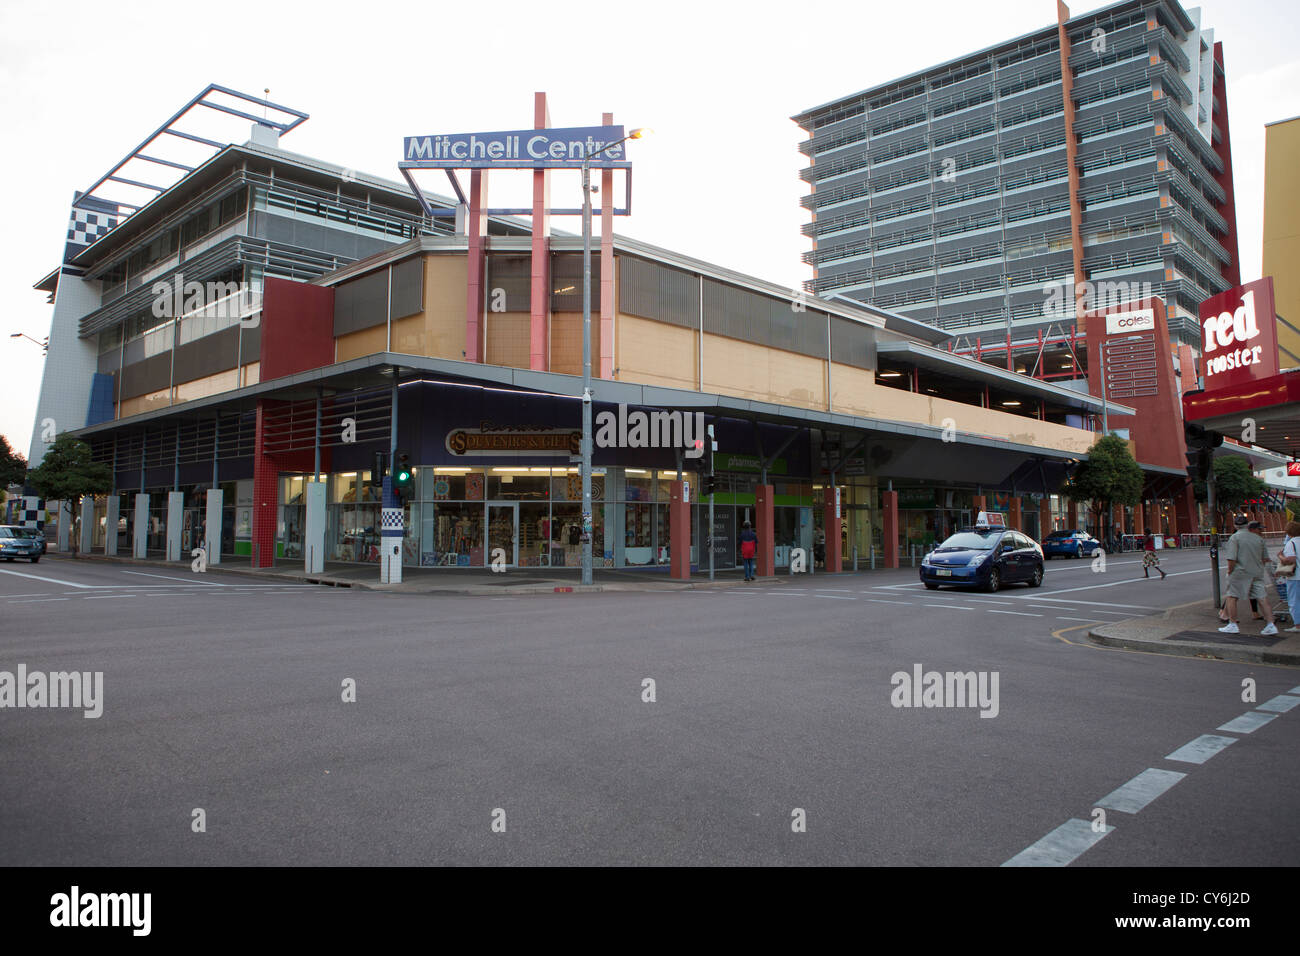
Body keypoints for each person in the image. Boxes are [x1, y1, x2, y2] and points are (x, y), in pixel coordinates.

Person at [1220, 519, 1278, 636]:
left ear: (1236, 526)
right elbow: (1265, 558)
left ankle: (1232, 624)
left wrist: (1230, 571)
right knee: (1262, 598)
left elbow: (1231, 559)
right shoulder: (1258, 538)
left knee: (1232, 597)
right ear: (1247, 525)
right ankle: (1271, 624)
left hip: (1240, 572)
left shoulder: (1234, 538)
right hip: (1256, 572)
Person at [1277, 519, 1300, 633]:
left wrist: (1280, 556)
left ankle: (1297, 625)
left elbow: (1290, 560)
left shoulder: (1291, 543)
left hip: (1295, 576)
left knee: (1294, 600)